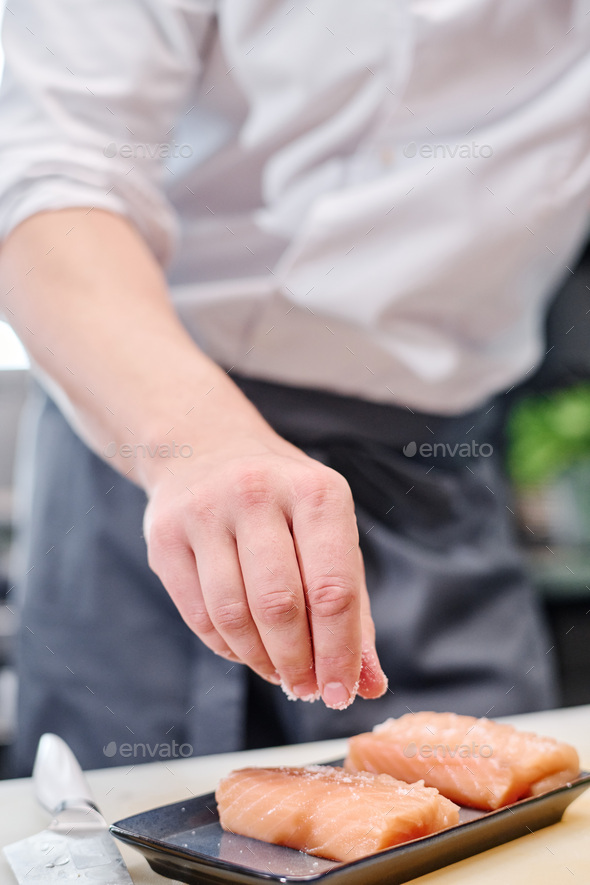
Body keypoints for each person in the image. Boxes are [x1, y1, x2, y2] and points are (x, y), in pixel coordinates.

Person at [1, 1, 588, 775]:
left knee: (506, 808)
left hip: (438, 479)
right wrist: (201, 444)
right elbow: (48, 176)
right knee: (122, 811)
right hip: (156, 452)